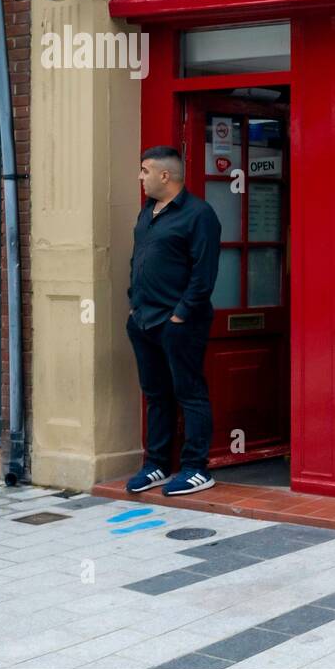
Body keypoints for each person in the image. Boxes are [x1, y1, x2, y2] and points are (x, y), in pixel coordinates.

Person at [124, 146, 222, 496]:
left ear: (165, 175)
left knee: (189, 393)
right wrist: (133, 305)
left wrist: (180, 314)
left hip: (180, 323)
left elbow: (204, 274)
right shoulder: (147, 212)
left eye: (144, 170)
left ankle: (197, 468)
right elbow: (138, 260)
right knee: (156, 395)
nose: (140, 176)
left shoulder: (200, 215)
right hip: (143, 321)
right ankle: (157, 465)